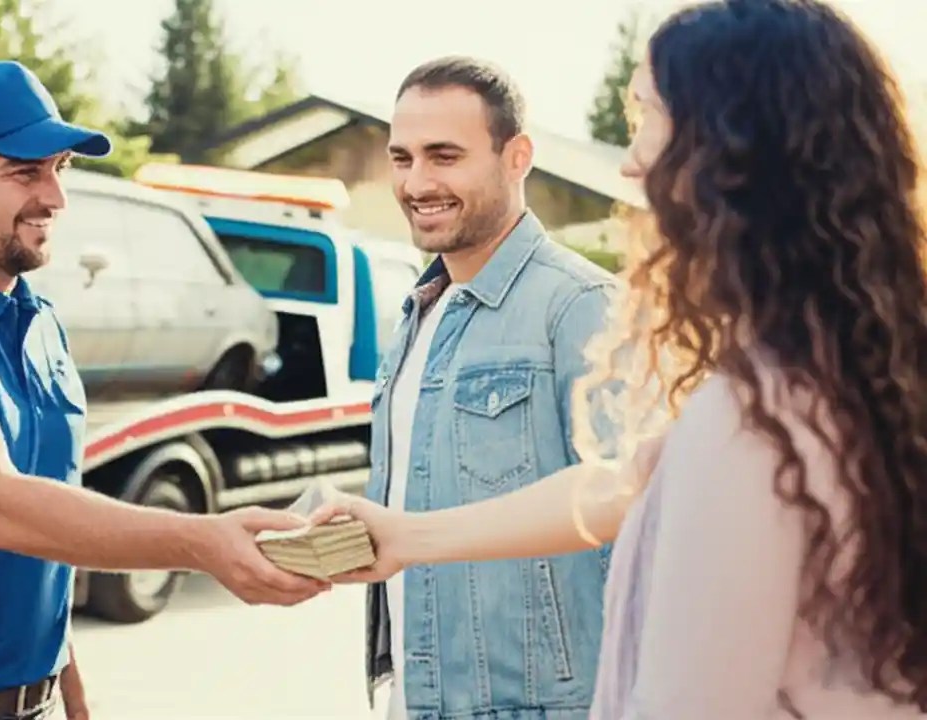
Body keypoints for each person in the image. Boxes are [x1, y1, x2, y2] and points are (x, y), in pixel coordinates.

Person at [316, 1, 927, 717]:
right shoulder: (838, 378)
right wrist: (409, 537)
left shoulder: (746, 422)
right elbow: (626, 483)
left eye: (648, 119)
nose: (632, 159)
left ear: (733, 151)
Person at [0, 60, 327, 720]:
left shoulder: (41, 323)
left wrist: (65, 687)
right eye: (25, 171)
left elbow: (44, 523)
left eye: (60, 169)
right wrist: (204, 540)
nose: (55, 198)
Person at [361, 56, 621, 720]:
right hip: (416, 699)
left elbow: (635, 518)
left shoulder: (582, 307)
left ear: (517, 157)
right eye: (402, 158)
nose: (417, 182)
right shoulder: (420, 309)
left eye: (444, 156)